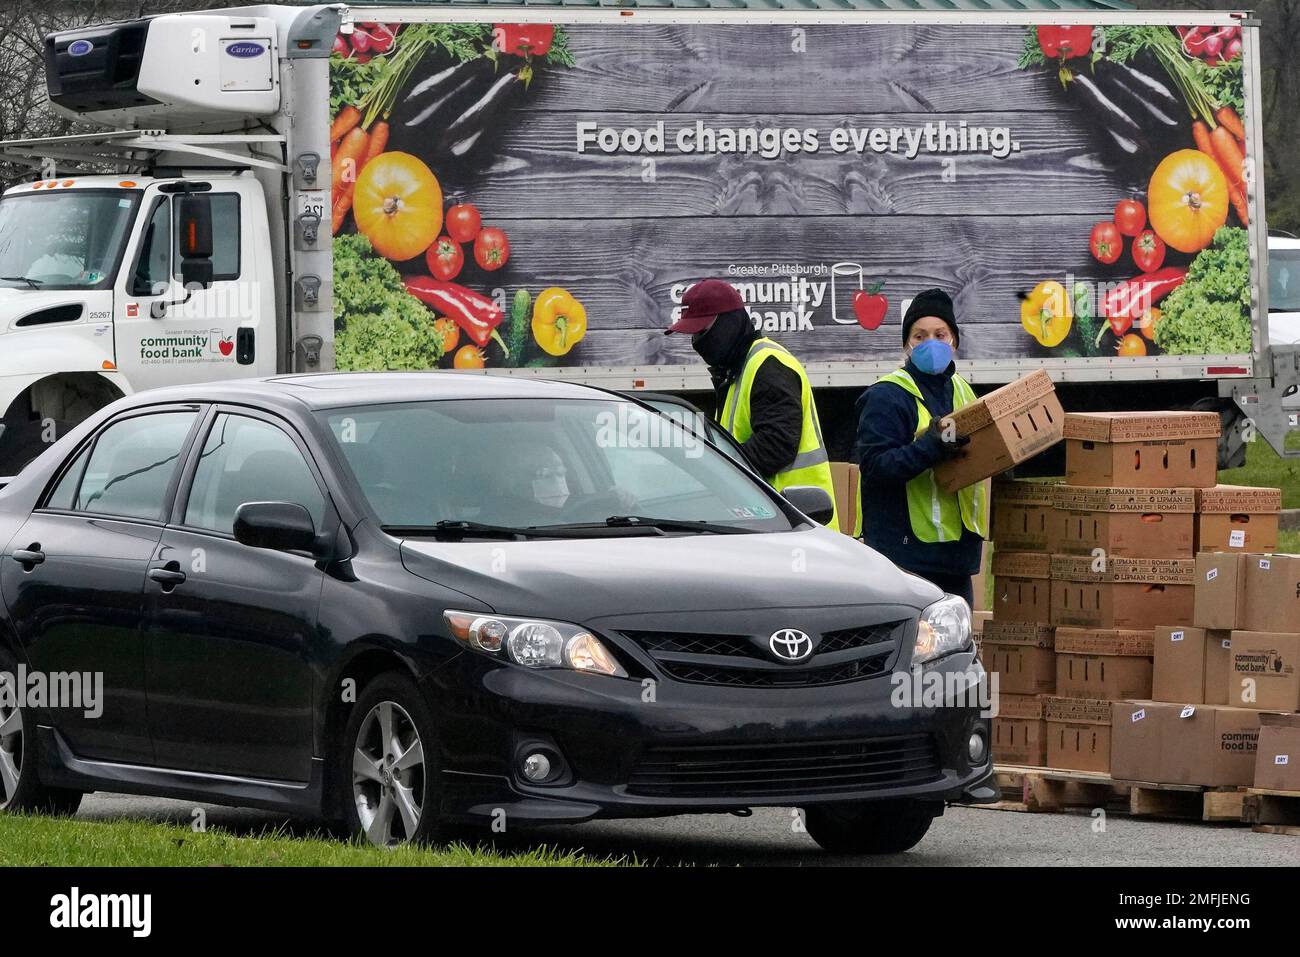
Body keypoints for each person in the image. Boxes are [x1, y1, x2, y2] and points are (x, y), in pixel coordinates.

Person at [666, 278, 838, 528]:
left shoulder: (767, 365)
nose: (697, 343)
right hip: (772, 521)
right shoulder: (737, 369)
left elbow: (775, 446)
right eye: (693, 334)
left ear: (729, 323)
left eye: (702, 331)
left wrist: (713, 468)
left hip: (797, 525)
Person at [853, 288, 987, 604]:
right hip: (906, 557)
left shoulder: (963, 390)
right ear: (906, 345)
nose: (931, 344)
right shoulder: (887, 396)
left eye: (940, 334)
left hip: (956, 557)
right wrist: (931, 446)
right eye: (920, 336)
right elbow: (875, 467)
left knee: (957, 647)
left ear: (954, 341)